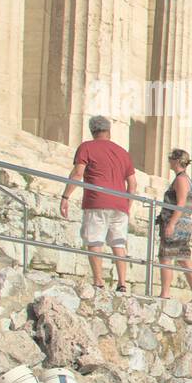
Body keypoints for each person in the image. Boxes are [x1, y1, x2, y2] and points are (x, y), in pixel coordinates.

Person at [61, 115, 136, 291]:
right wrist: (127, 205)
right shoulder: (123, 152)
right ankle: (122, 283)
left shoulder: (86, 147)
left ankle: (99, 281)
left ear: (92, 131)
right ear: (109, 131)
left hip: (97, 201)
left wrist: (65, 197)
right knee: (118, 242)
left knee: (94, 240)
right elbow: (132, 184)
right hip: (120, 204)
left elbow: (78, 174)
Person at [157, 149, 192, 302]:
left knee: (166, 257)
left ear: (176, 161)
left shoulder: (181, 179)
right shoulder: (185, 179)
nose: (168, 161)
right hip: (183, 223)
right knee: (183, 258)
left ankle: (165, 293)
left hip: (177, 222)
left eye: (170, 158)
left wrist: (171, 224)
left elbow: (181, 203)